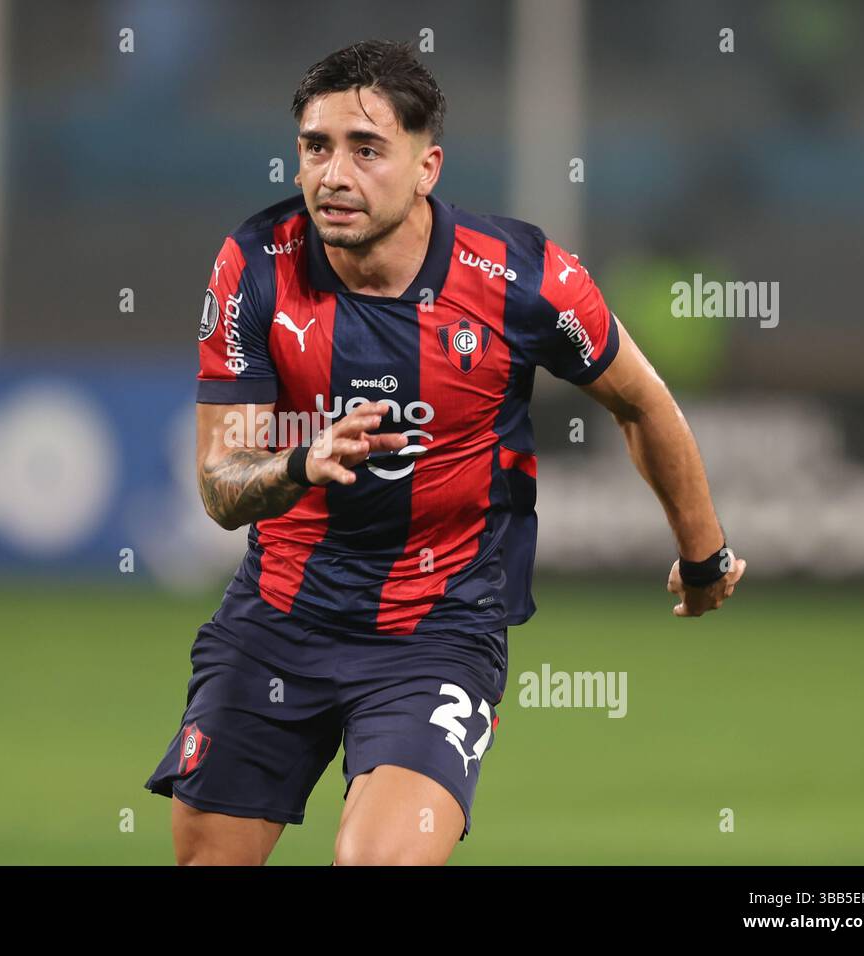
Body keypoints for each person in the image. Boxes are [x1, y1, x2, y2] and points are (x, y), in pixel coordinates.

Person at [146, 40, 745, 865]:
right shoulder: (254, 265)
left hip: (436, 633)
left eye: (365, 150)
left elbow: (641, 404)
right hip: (276, 620)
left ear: (426, 167)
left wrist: (704, 552)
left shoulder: (523, 278)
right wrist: (296, 464)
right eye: (315, 148)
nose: (332, 175)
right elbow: (219, 485)